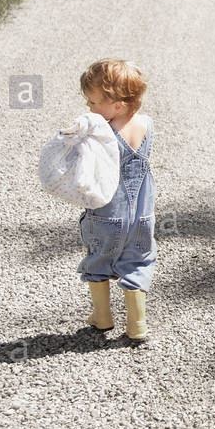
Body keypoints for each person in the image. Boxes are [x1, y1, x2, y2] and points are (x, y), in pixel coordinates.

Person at [76, 58, 156, 344]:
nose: (90, 108)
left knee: (98, 259)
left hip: (107, 215)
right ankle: (137, 326)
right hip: (142, 218)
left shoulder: (102, 134)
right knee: (138, 261)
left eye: (95, 102)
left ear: (118, 106)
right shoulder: (147, 125)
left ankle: (102, 317)